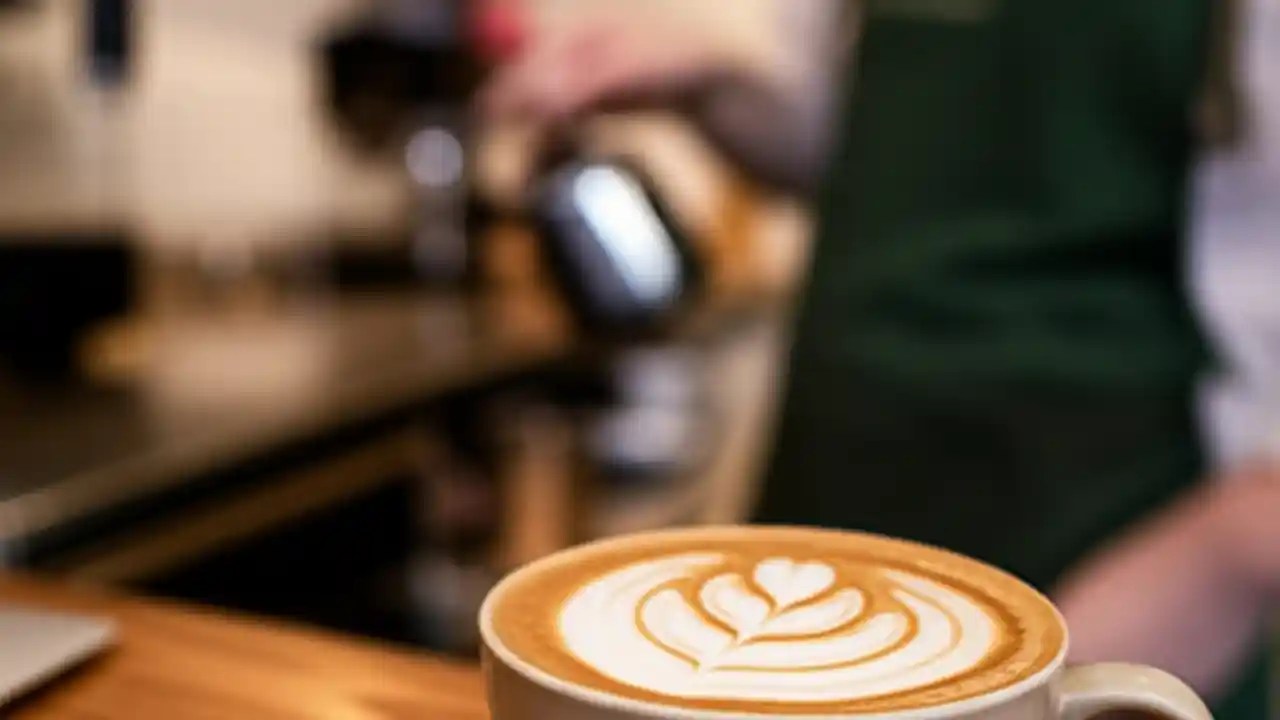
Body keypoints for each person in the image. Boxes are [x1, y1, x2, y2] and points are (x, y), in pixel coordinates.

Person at [481, 1, 1276, 717]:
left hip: (1130, 552)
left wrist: (1223, 558)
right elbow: (884, 155)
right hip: (828, 509)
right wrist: (721, 92)